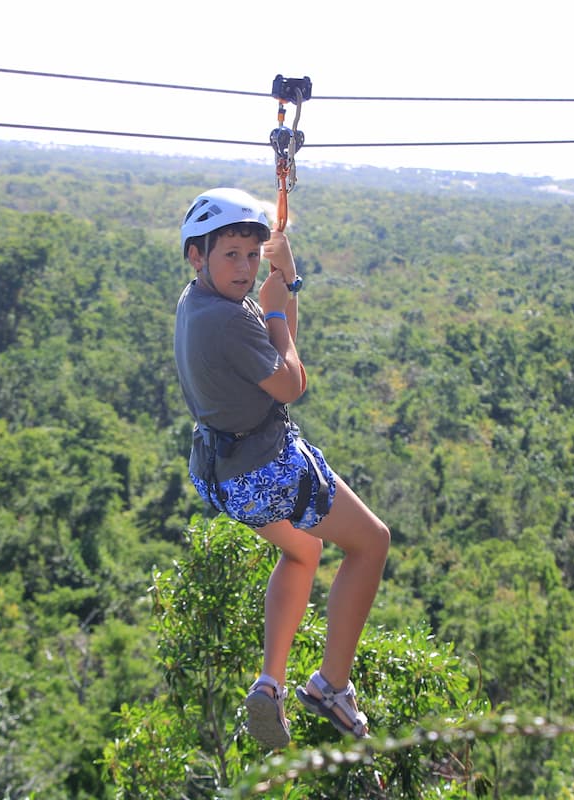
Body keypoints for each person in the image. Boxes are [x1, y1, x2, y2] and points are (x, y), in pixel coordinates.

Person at [172, 187, 391, 749]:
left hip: (222, 473)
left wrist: (284, 285)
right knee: (370, 543)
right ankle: (330, 687)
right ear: (197, 256)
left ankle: (270, 683)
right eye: (231, 256)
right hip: (266, 469)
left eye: (252, 254)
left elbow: (279, 337)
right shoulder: (228, 322)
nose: (245, 269)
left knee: (304, 549)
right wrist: (273, 304)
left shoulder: (199, 301)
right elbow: (291, 383)